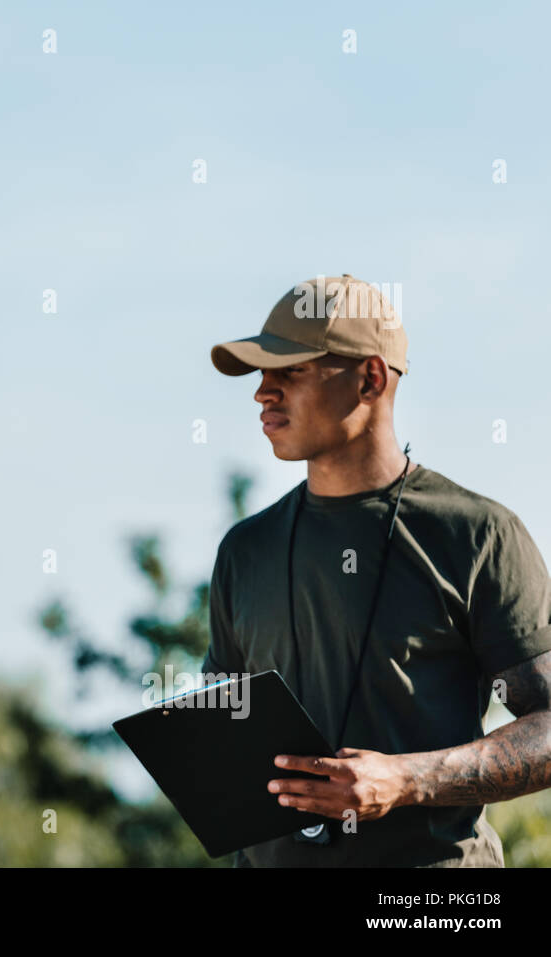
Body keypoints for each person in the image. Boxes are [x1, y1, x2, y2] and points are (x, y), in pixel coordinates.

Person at [205, 273, 551, 867]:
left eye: (290, 371)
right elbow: (222, 727)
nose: (263, 393)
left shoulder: (477, 534)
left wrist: (404, 780)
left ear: (369, 377)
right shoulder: (244, 549)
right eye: (261, 375)